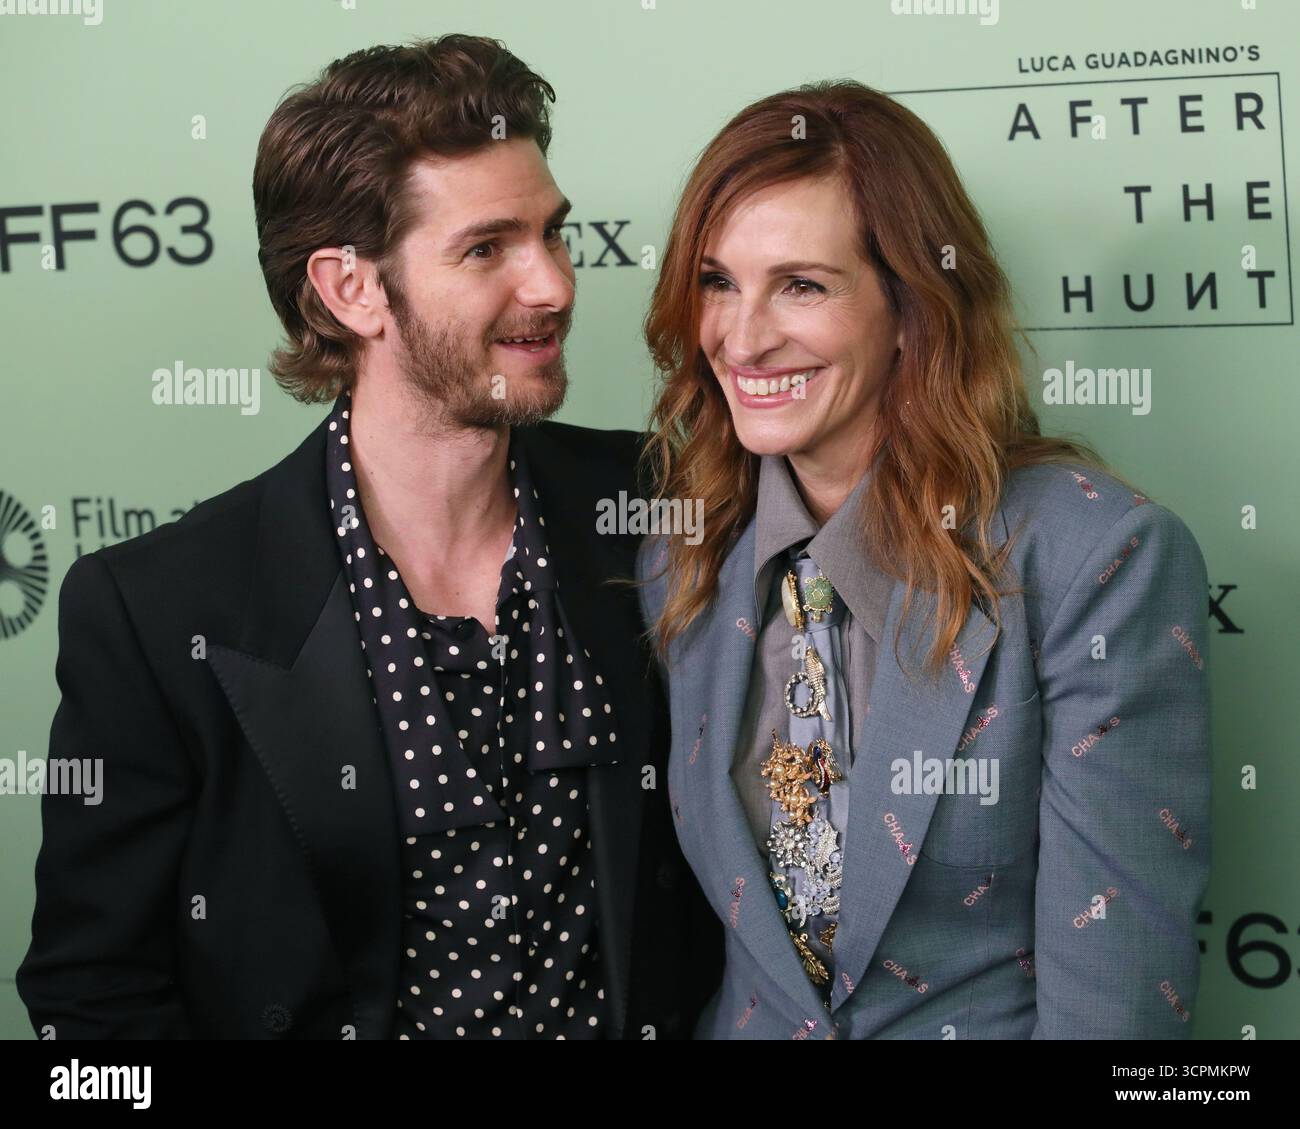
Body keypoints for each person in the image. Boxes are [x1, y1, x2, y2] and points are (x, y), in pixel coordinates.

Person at [17, 34, 720, 1040]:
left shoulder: (657, 502)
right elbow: (89, 1010)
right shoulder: (160, 609)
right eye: (487, 248)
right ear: (351, 290)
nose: (553, 285)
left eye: (551, 234)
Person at [636, 80, 1211, 1039]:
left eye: (803, 284)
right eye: (717, 280)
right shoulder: (683, 549)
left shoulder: (1092, 556)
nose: (742, 335)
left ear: (914, 308)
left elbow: (1119, 1010)